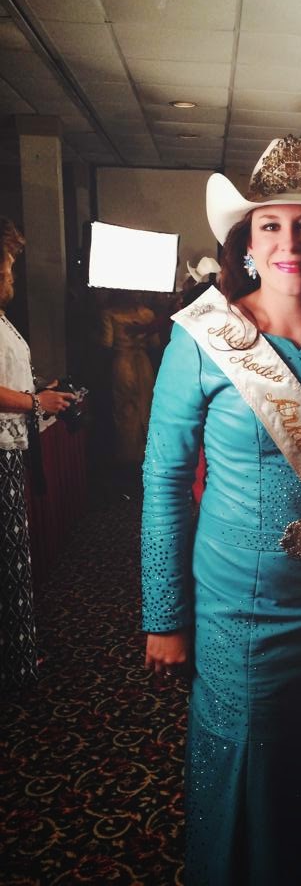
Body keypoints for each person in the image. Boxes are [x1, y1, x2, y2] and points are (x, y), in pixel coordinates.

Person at [141, 136, 301, 885]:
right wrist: (164, 615)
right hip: (237, 608)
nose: (289, 242)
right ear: (245, 242)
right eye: (270, 225)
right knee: (247, 755)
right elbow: (164, 479)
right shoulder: (201, 338)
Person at [0, 218, 75, 691]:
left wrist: (39, 389)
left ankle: (18, 657)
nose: (12, 274)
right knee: (9, 561)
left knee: (13, 559)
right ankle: (16, 667)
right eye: (8, 264)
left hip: (10, 446)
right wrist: (34, 402)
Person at [99, 291, 159, 466]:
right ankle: (146, 452)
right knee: (146, 406)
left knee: (125, 409)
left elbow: (106, 343)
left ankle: (127, 455)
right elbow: (155, 343)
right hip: (144, 364)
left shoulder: (109, 313)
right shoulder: (148, 314)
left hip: (122, 364)